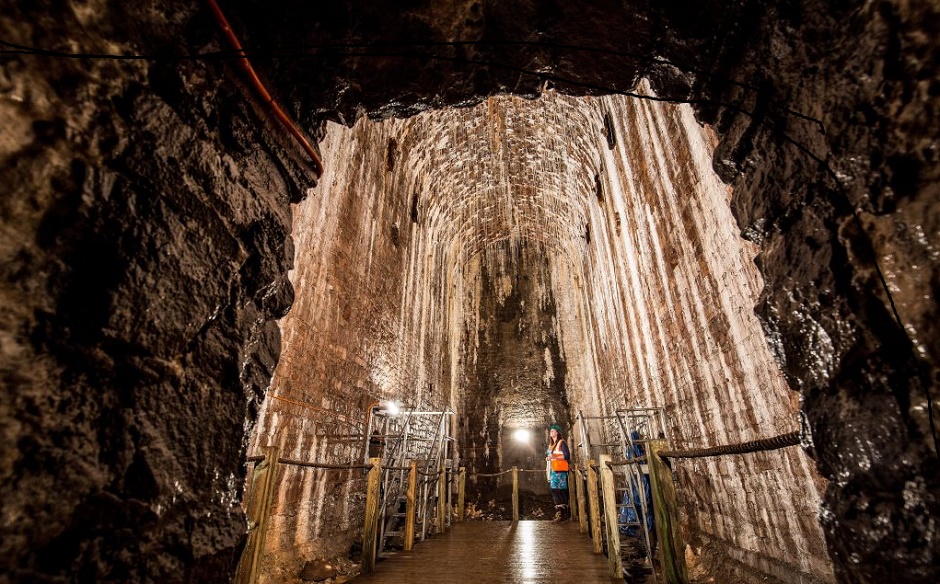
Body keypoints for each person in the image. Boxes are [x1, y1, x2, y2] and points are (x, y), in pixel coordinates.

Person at [545, 423, 571, 522]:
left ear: (557, 432)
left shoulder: (561, 443)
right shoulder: (551, 445)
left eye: (553, 430)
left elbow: (567, 456)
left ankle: (563, 514)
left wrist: (553, 457)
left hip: (560, 470)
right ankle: (562, 513)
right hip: (553, 470)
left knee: (560, 491)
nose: (551, 432)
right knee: (556, 491)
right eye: (550, 431)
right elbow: (550, 457)